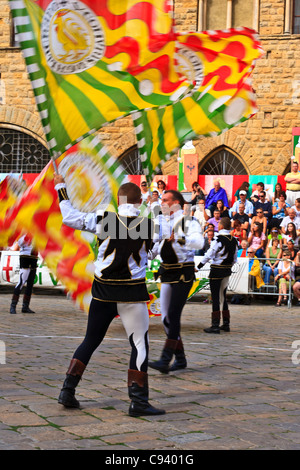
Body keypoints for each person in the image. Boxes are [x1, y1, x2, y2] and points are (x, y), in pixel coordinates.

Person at [53, 174, 165, 417]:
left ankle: (67, 390)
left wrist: (60, 185)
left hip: (103, 291)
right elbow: (157, 247)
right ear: (138, 201)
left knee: (90, 340)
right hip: (131, 294)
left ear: (117, 199)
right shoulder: (149, 224)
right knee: (138, 344)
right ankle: (138, 400)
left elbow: (69, 216)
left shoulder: (104, 219)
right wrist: (155, 206)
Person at [148, 190, 204, 373]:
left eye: (165, 200)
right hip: (167, 273)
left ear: (176, 203)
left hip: (183, 273)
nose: (161, 203)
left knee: (173, 315)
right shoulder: (160, 222)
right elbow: (153, 249)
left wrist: (180, 238)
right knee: (165, 319)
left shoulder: (189, 222)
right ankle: (180, 359)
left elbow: (199, 242)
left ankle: (165, 359)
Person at [198, 217, 238, 334]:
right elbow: (235, 259)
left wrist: (199, 266)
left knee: (215, 296)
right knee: (222, 296)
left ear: (220, 226)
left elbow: (210, 253)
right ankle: (226, 323)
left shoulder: (217, 238)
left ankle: (215, 324)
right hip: (227, 270)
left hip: (216, 270)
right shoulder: (234, 240)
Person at [9, 234, 38, 314]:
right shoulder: (25, 232)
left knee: (30, 283)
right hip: (25, 258)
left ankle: (25, 307)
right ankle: (13, 306)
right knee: (21, 282)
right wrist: (28, 237)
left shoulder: (38, 233)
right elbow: (20, 243)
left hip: (34, 258)